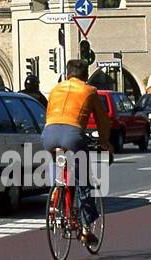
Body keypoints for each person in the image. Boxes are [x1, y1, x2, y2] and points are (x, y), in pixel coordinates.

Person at [41, 59, 110, 244]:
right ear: (85, 75)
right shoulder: (89, 91)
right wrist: (105, 143)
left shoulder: (56, 89)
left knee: (59, 165)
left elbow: (49, 114)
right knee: (84, 181)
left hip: (48, 135)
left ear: (67, 74)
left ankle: (57, 192)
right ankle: (86, 229)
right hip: (72, 135)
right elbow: (102, 120)